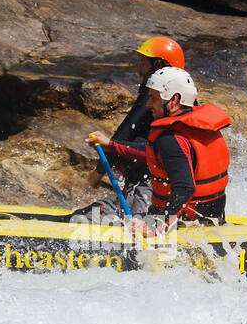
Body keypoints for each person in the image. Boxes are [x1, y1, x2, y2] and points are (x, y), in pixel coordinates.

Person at [86, 67, 230, 236]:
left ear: (174, 100)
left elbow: (184, 188)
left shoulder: (170, 138)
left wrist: (155, 230)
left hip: (179, 227)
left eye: (154, 99)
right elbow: (155, 155)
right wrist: (112, 145)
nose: (148, 105)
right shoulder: (199, 129)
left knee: (91, 215)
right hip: (210, 224)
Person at [95, 36, 186, 211]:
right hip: (169, 188)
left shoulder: (154, 96)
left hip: (153, 187)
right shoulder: (185, 98)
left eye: (143, 63)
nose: (138, 70)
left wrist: (98, 172)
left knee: (86, 215)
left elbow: (125, 133)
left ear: (158, 66)